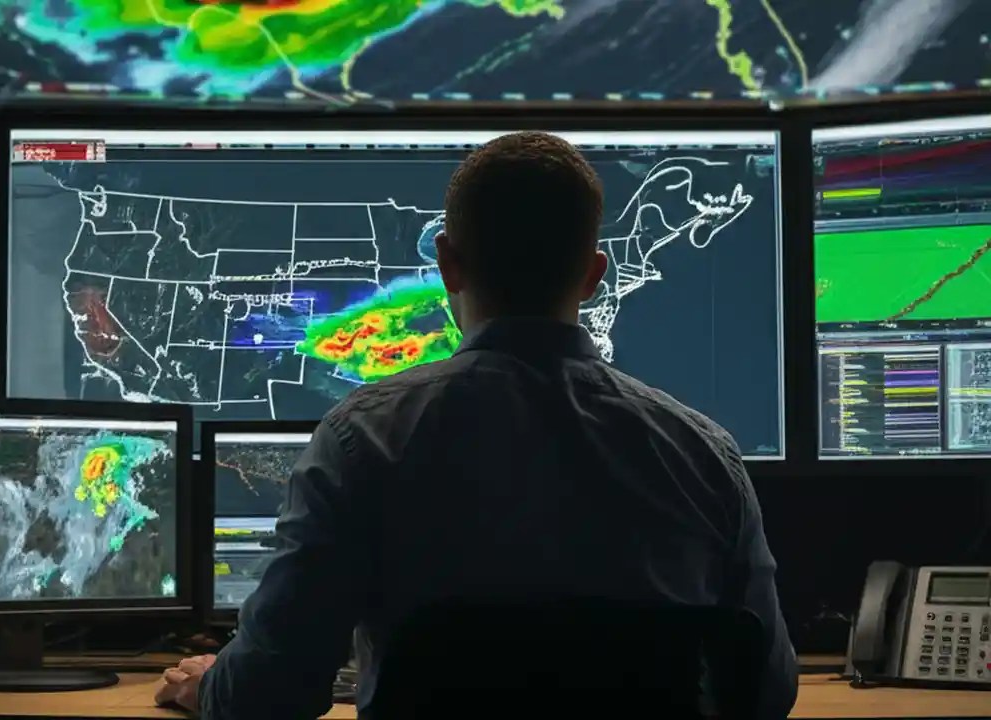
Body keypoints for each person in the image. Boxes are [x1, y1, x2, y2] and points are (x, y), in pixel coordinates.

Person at [156, 131, 798, 719]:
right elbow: (768, 692)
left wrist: (206, 685)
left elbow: (269, 692)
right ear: (594, 275)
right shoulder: (705, 454)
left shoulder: (361, 442)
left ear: (447, 264)